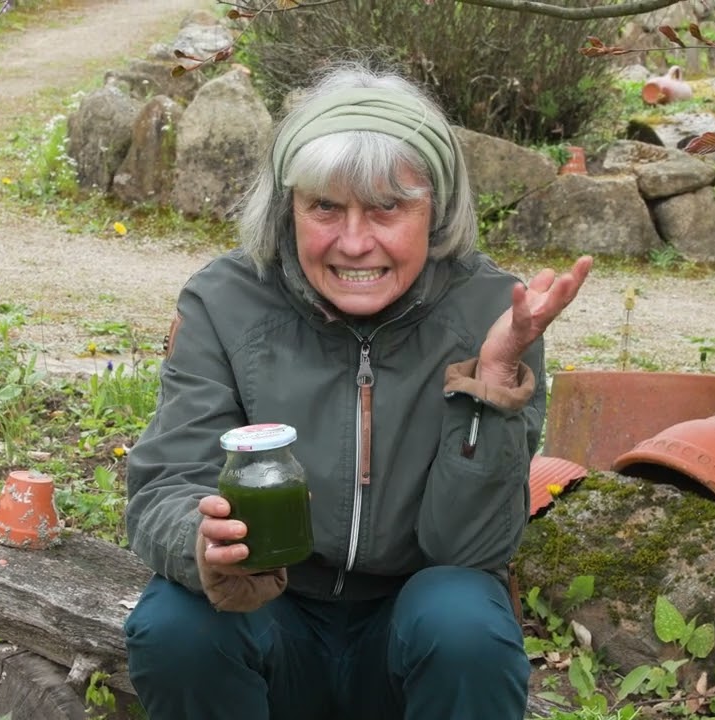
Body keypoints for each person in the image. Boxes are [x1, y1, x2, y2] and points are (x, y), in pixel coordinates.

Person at [123, 62, 593, 720]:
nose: (353, 243)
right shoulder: (225, 302)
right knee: (178, 624)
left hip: (407, 630)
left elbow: (469, 554)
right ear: (287, 208)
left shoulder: (494, 313)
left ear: (436, 210)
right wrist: (203, 547)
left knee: (463, 621)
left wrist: (488, 383)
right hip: (269, 609)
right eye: (324, 207)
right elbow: (166, 485)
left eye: (387, 207)